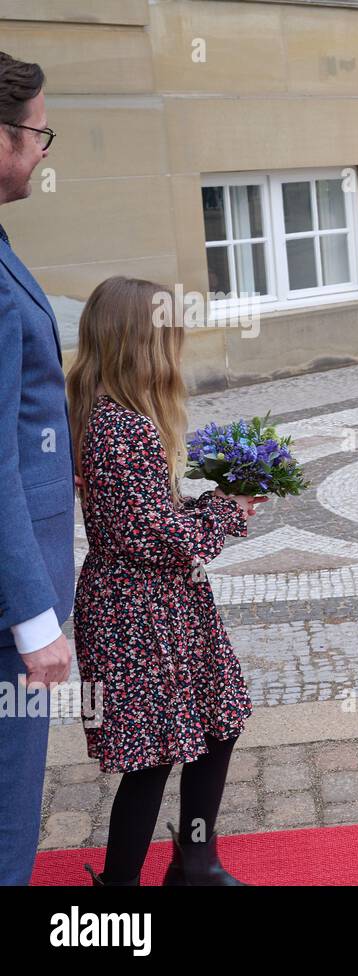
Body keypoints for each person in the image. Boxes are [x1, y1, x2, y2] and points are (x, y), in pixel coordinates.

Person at [69, 276, 265, 885]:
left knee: (217, 722)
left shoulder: (116, 411)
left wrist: (210, 501)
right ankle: (120, 891)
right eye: (170, 335)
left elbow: (153, 521)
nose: (177, 347)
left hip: (163, 601)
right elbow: (163, 541)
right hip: (136, 608)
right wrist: (227, 508)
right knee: (150, 756)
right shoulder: (119, 426)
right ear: (143, 341)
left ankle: (196, 861)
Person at [0, 51, 74, 886]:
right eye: (34, 131)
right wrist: (34, 620)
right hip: (6, 620)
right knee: (7, 822)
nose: (43, 148)